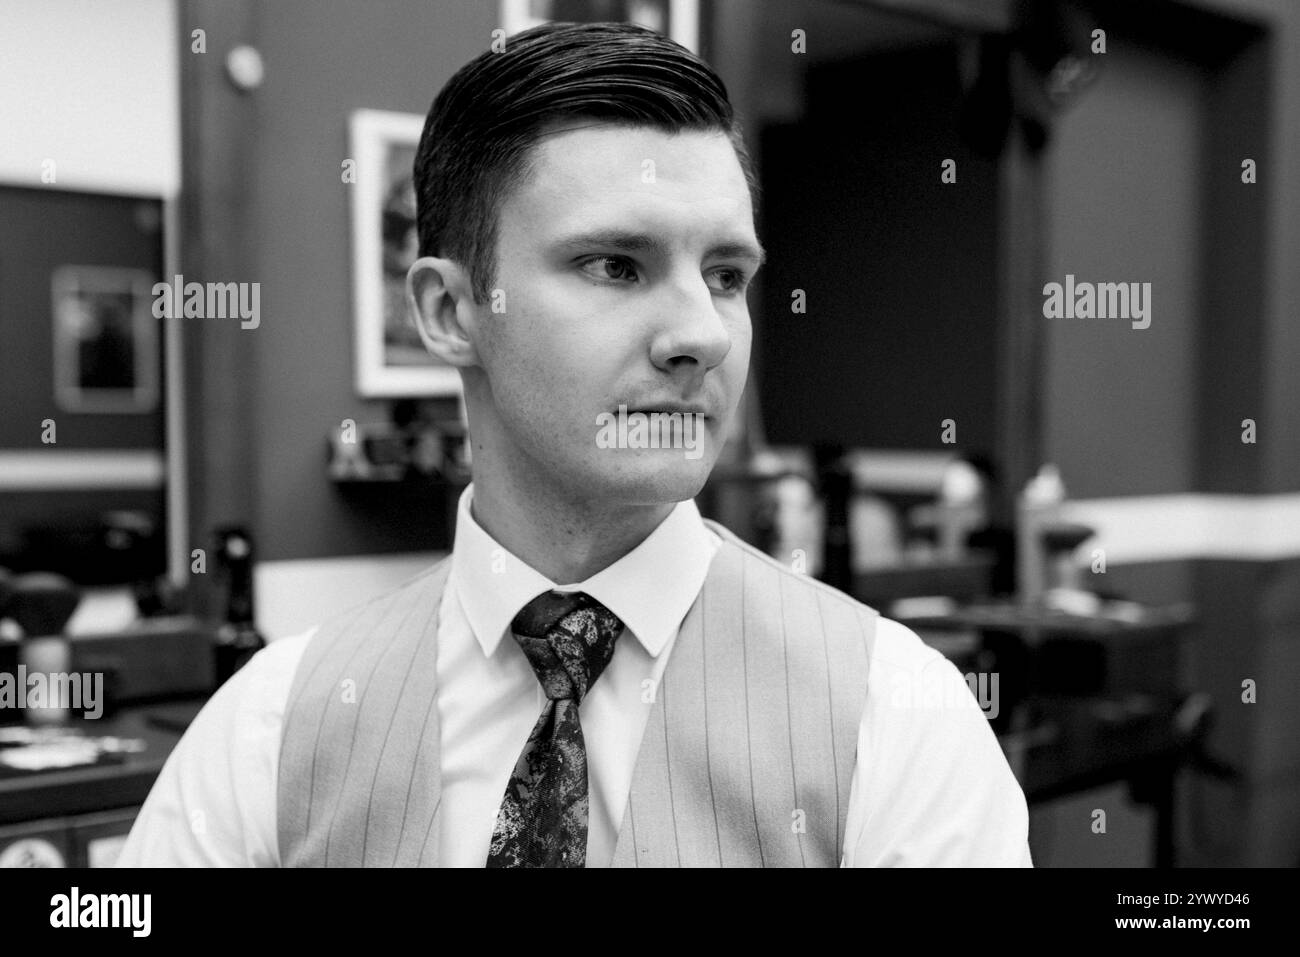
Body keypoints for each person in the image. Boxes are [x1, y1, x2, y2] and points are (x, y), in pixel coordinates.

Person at [118, 20, 1030, 868]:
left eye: (725, 275)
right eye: (616, 265)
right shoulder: (270, 733)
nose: (702, 335)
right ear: (447, 311)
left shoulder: (895, 718)